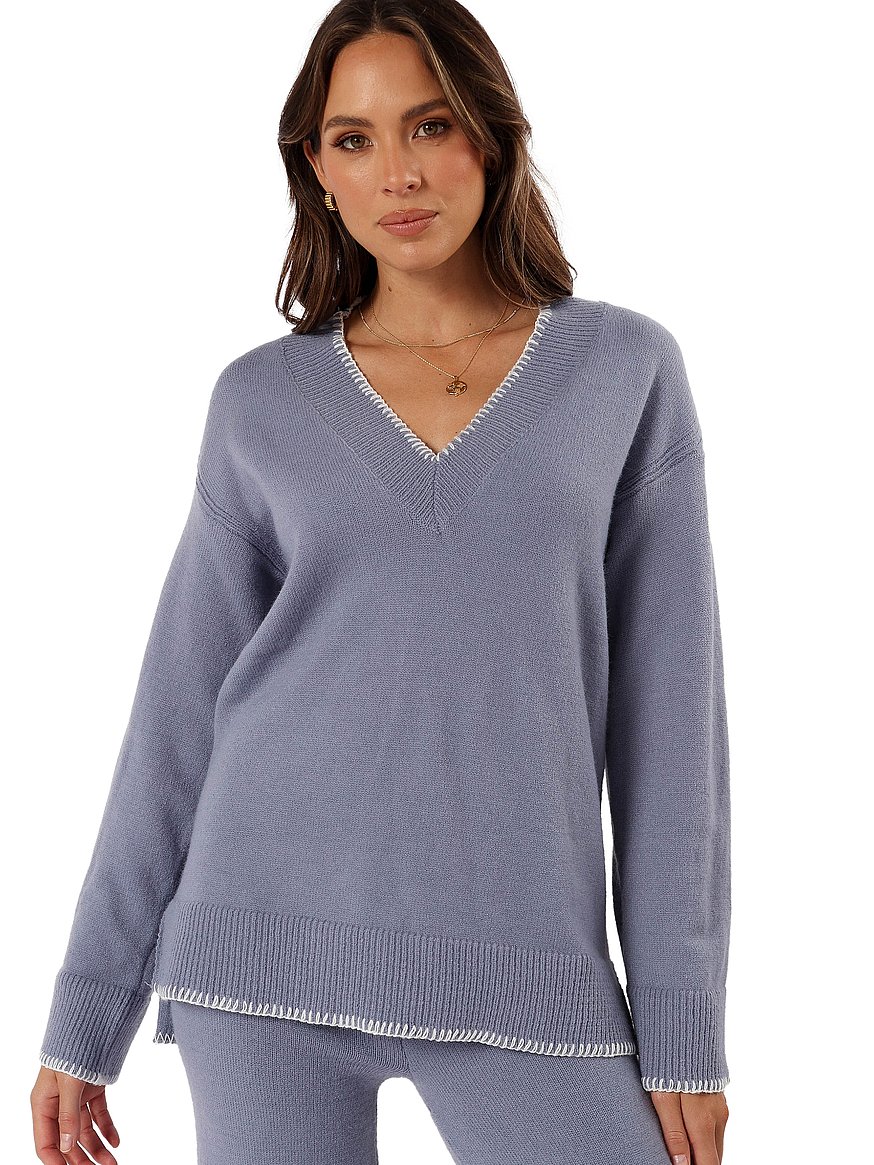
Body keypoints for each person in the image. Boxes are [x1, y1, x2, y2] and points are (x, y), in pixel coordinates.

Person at [30, 2, 732, 1163]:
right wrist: (87, 1011)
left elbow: (672, 733)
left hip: (528, 974)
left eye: (429, 125)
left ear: (491, 136)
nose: (396, 172)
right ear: (316, 169)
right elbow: (176, 719)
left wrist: (683, 1034)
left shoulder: (622, 371)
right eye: (352, 139)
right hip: (256, 960)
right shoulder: (259, 401)